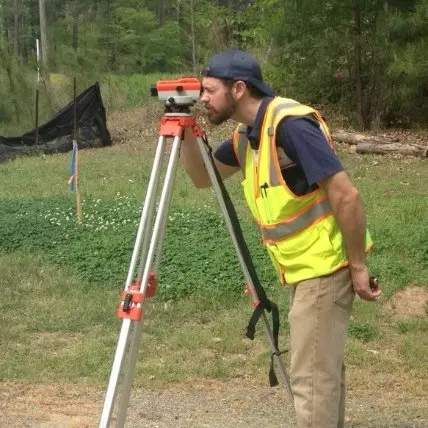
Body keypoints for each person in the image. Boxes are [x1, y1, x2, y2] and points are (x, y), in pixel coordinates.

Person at [179, 48, 382, 428]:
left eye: (208, 90)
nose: (202, 98)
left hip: (324, 270)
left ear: (238, 88)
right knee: (322, 378)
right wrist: (186, 131)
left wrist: (358, 265)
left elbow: (347, 195)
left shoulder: (289, 125)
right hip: (305, 271)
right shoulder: (248, 136)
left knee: (311, 383)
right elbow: (201, 177)